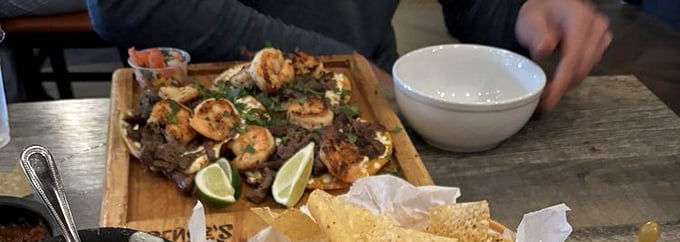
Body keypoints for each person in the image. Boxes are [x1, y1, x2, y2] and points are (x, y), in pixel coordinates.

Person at [85, 0, 612, 111]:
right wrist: (347, 67)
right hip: (206, 112)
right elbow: (133, 7)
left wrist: (520, 9)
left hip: (378, 112)